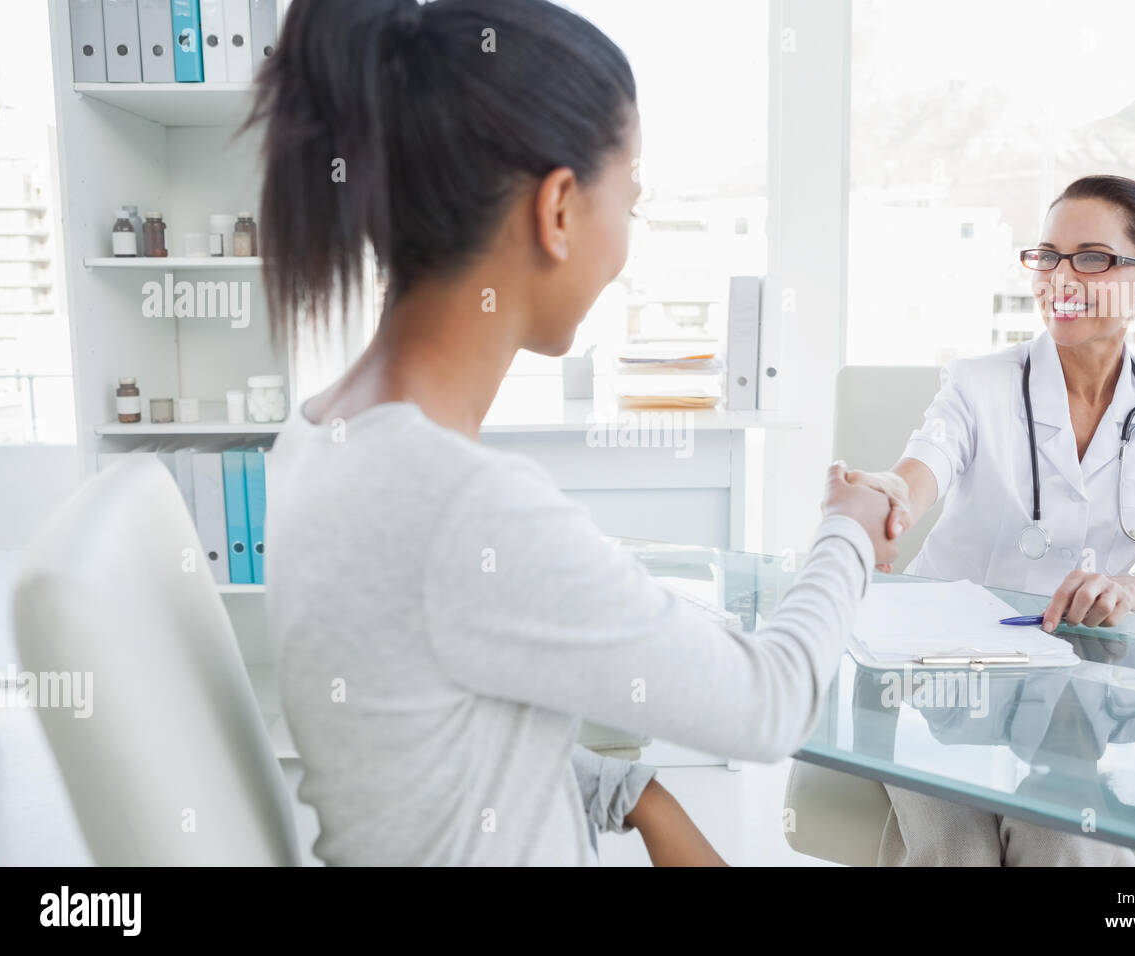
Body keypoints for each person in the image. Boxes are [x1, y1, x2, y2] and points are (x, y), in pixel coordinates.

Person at [252, 0, 897, 866]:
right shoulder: (456, 504)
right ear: (558, 209)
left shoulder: (321, 437)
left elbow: (431, 745)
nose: (625, 240)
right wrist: (848, 529)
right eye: (628, 198)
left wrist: (635, 791)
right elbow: (769, 702)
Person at [849, 174, 1135, 865]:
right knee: (956, 853)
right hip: (936, 671)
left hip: (1071, 687)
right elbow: (922, 467)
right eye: (1046, 255)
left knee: (1070, 851)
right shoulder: (978, 381)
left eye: (1092, 257)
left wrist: (1127, 591)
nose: (1060, 277)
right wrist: (891, 493)